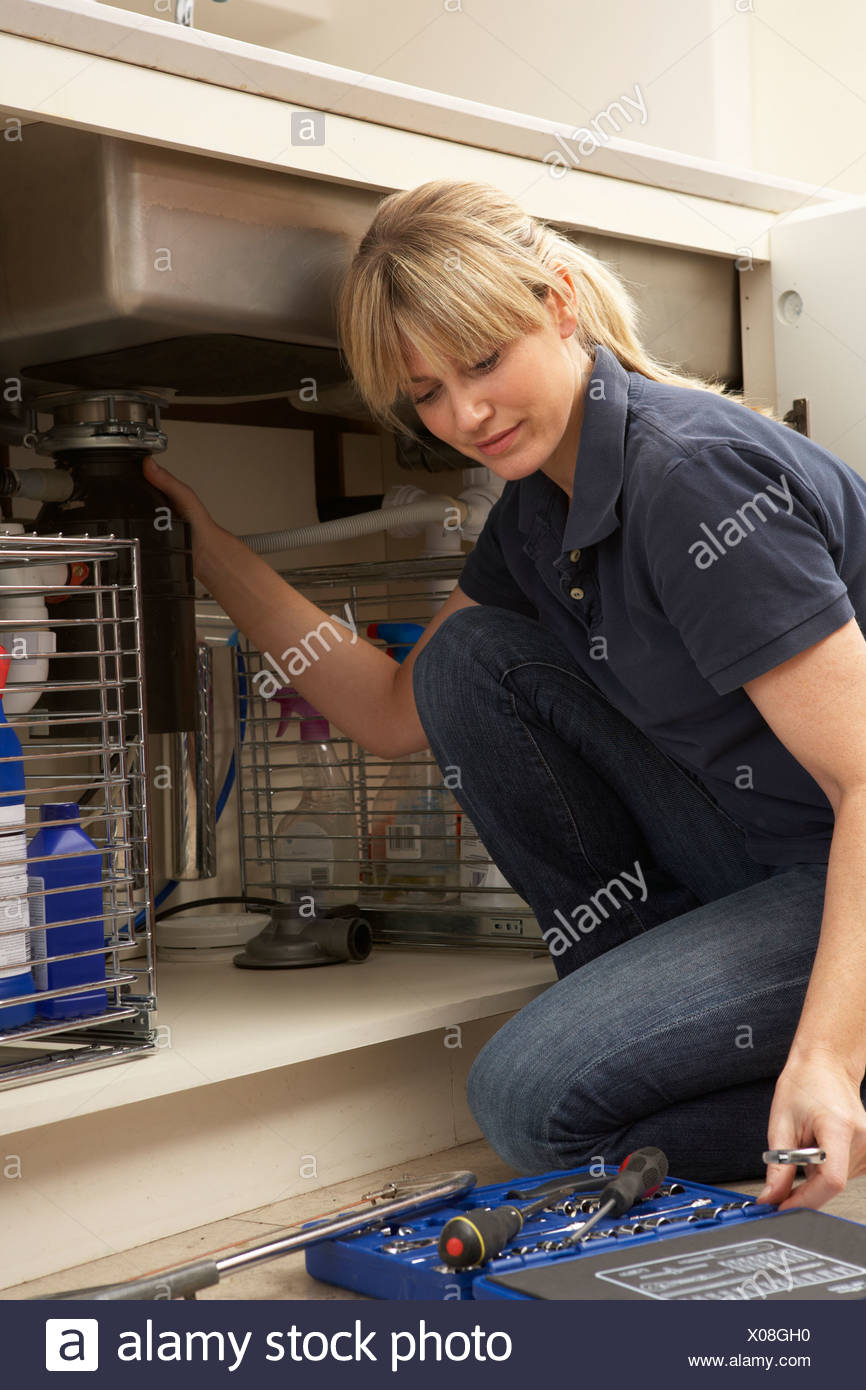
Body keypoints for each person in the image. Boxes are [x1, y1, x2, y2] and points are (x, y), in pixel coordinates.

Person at [144, 178, 866, 1212]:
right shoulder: (538, 508)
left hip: (836, 856)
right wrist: (208, 553)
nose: (464, 414)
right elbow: (395, 709)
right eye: (426, 392)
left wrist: (828, 1060)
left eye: (482, 361)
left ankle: (831, 1077)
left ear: (558, 302)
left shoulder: (688, 478)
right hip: (761, 851)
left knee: (533, 1109)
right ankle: (670, 1025)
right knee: (462, 660)